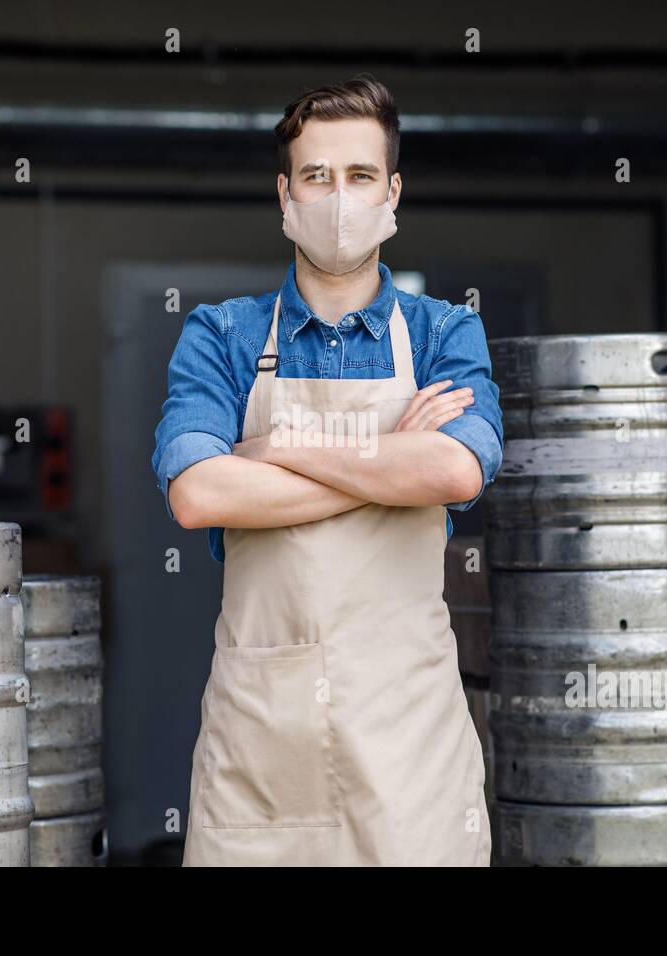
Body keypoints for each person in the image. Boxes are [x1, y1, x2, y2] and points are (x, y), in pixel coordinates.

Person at [151, 75, 502, 866]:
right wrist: (386, 456)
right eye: (316, 177)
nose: (338, 200)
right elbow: (198, 493)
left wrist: (275, 448)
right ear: (285, 194)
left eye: (359, 176)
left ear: (392, 191)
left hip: (409, 743)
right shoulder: (223, 336)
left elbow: (452, 472)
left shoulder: (447, 331)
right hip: (264, 743)